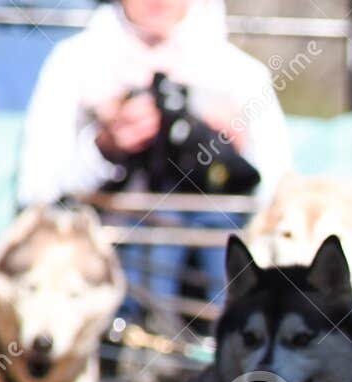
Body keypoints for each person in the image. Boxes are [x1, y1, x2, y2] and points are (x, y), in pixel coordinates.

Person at [17, 0, 292, 312]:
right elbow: (36, 191)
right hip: (111, 248)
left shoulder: (241, 74)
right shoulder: (74, 64)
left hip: (219, 249)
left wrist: (232, 151)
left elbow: (279, 193)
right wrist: (105, 147)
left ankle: (227, 336)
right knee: (157, 225)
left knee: (221, 235)